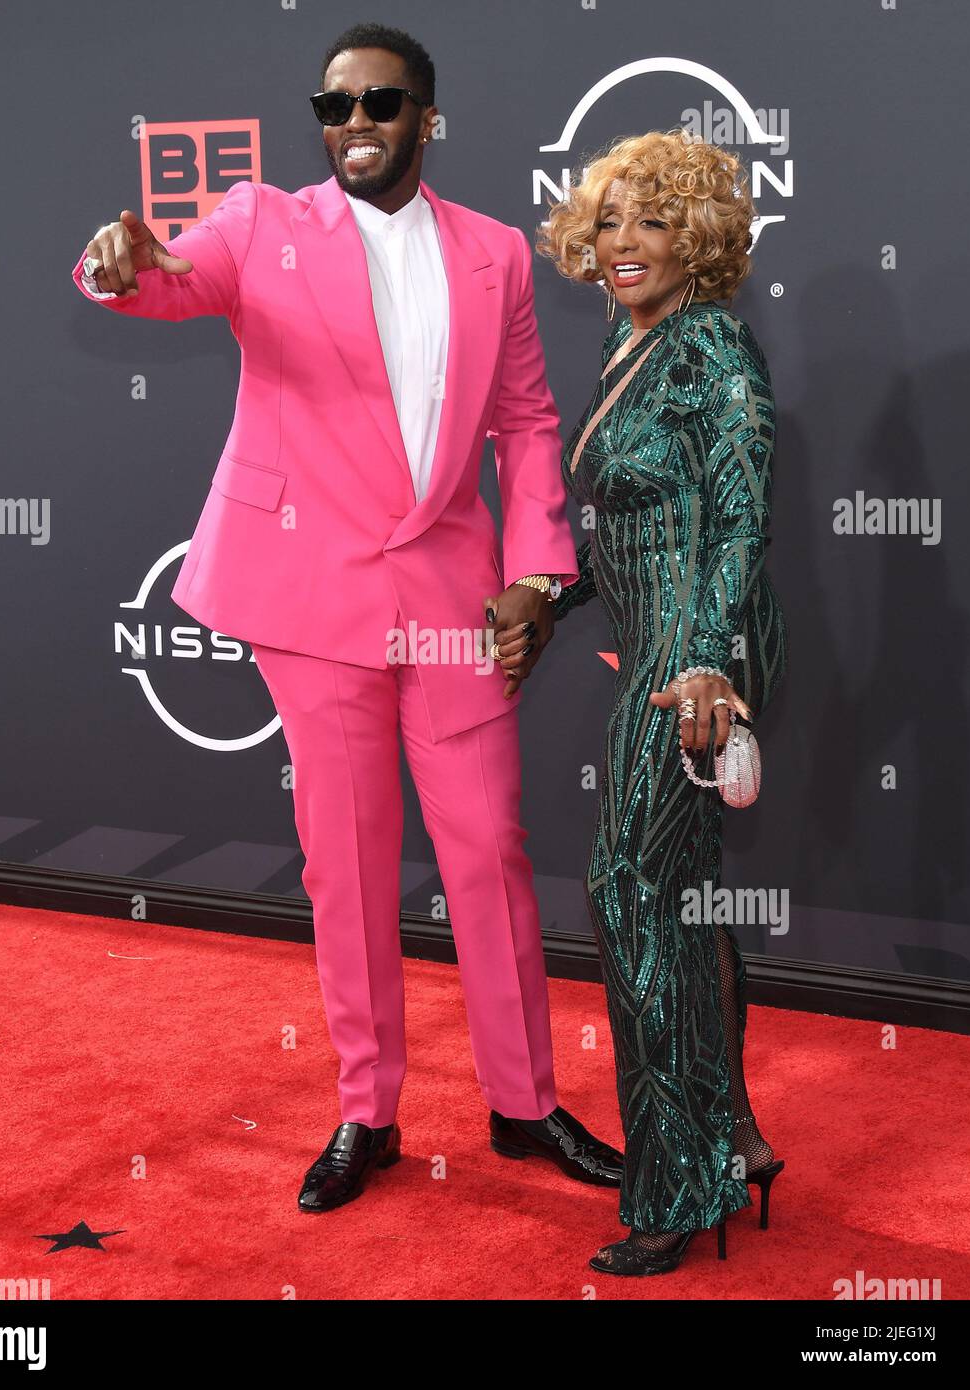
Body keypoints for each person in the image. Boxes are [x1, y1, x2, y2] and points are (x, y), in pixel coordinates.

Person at [71, 22, 625, 1213]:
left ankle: (523, 1104)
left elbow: (525, 422)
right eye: (333, 109)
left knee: (487, 850)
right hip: (310, 597)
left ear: (426, 116)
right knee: (352, 865)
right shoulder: (263, 222)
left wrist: (533, 574)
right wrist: (122, 264)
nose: (354, 128)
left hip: (451, 601)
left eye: (380, 105)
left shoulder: (493, 255)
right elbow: (173, 278)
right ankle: (366, 1111)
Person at [498, 128, 787, 1273]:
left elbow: (739, 511)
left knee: (629, 887)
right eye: (608, 220)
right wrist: (542, 595)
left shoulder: (710, 340)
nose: (622, 243)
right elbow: (621, 526)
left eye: (652, 222)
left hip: (691, 658)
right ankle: (738, 1140)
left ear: (698, 238)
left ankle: (675, 1184)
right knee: (682, 894)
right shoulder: (634, 342)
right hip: (658, 640)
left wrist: (711, 659)